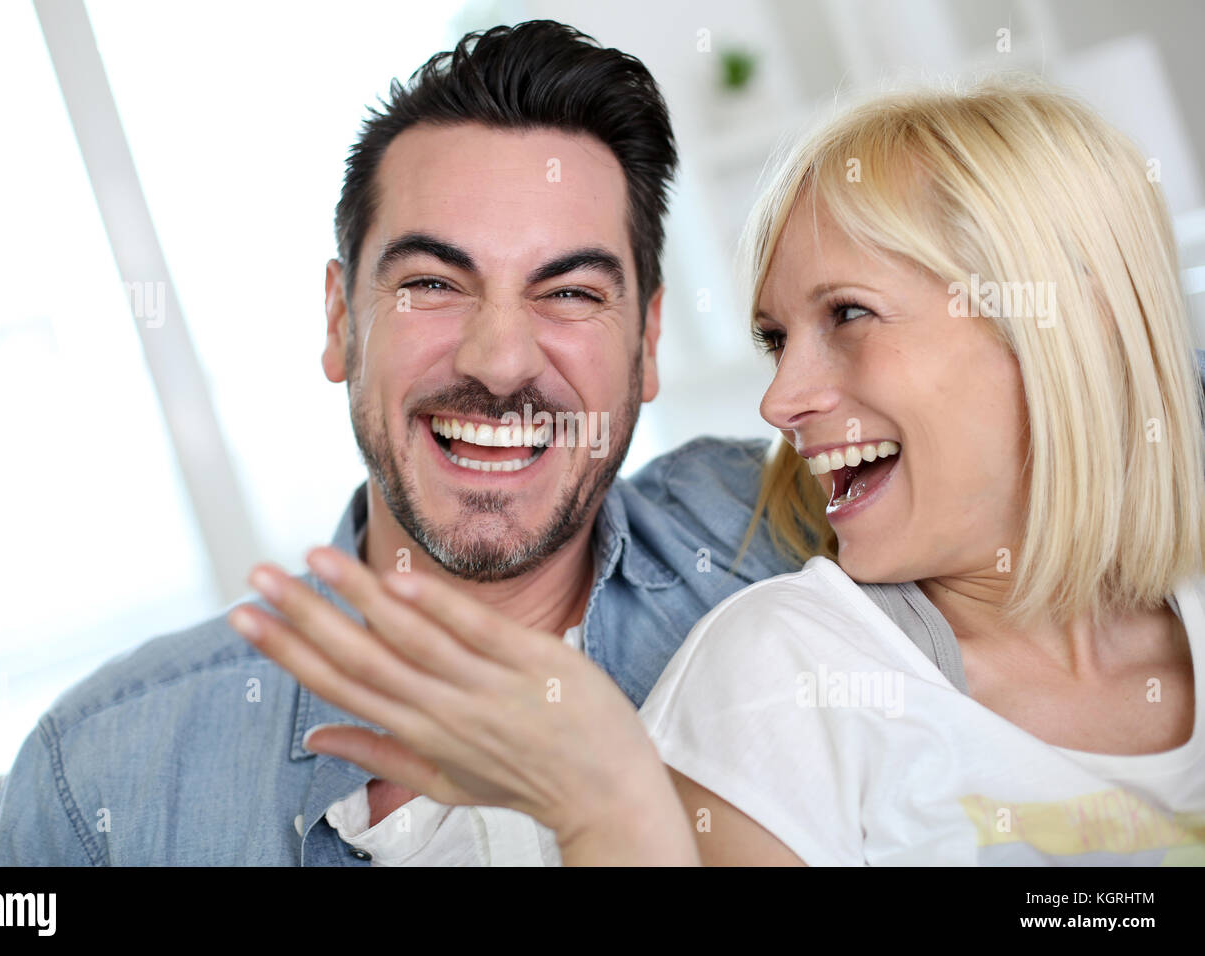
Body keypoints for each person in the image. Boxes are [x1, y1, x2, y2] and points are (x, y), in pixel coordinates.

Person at [244, 77, 1205, 865]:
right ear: (341, 316)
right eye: (777, 339)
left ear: (1059, 331)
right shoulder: (783, 667)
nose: (778, 402)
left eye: (849, 316)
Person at [0, 20, 796, 867]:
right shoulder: (100, 778)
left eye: (571, 292)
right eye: (433, 284)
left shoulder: (801, 538)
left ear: (648, 340)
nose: (500, 361)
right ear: (340, 321)